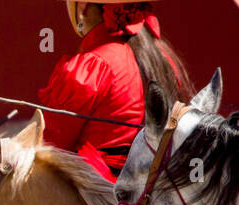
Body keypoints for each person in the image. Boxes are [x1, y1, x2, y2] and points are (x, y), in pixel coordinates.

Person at [40, 1, 191, 176]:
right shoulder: (163, 59)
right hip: (153, 191)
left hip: (99, 195)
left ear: (82, 7)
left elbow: (48, 147)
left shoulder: (93, 65)